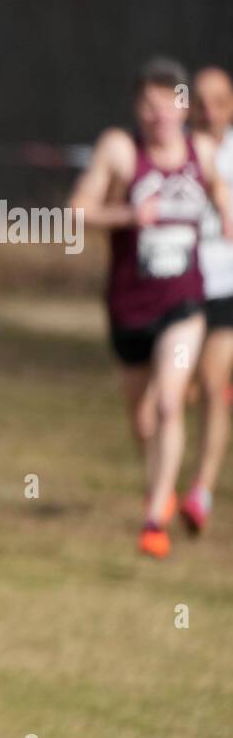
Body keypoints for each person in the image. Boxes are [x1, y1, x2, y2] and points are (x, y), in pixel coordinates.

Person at [69, 57, 232, 558]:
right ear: (138, 108)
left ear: (183, 110)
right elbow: (76, 212)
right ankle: (159, 489)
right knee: (143, 418)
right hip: (128, 305)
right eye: (150, 105)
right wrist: (127, 214)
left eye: (170, 105)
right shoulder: (120, 151)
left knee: (168, 402)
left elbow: (218, 187)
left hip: (183, 303)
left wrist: (226, 214)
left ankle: (154, 518)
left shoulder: (201, 150)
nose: (160, 115)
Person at [181, 66, 233, 533]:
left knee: (213, 382)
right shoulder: (176, 150)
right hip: (180, 286)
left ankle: (202, 490)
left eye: (219, 100)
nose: (208, 110)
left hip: (227, 288)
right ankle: (165, 482)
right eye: (199, 100)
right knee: (180, 389)